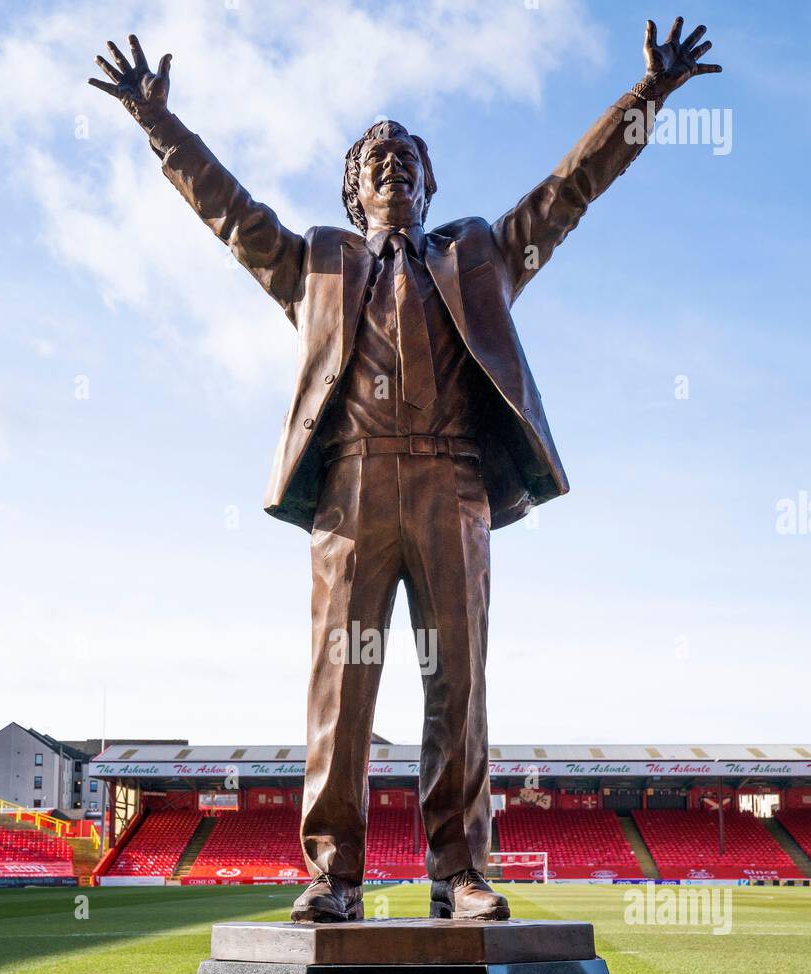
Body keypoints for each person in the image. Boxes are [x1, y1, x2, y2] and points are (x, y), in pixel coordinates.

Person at [90, 19, 720, 922]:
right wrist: (161, 125)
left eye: (406, 159)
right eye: (374, 159)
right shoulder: (313, 263)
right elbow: (227, 208)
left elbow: (570, 190)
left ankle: (458, 872)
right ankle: (333, 878)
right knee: (340, 686)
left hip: (452, 485)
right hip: (348, 491)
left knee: (457, 685)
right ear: (353, 192)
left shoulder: (482, 257)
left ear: (429, 184)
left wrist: (646, 96)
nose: (391, 165)